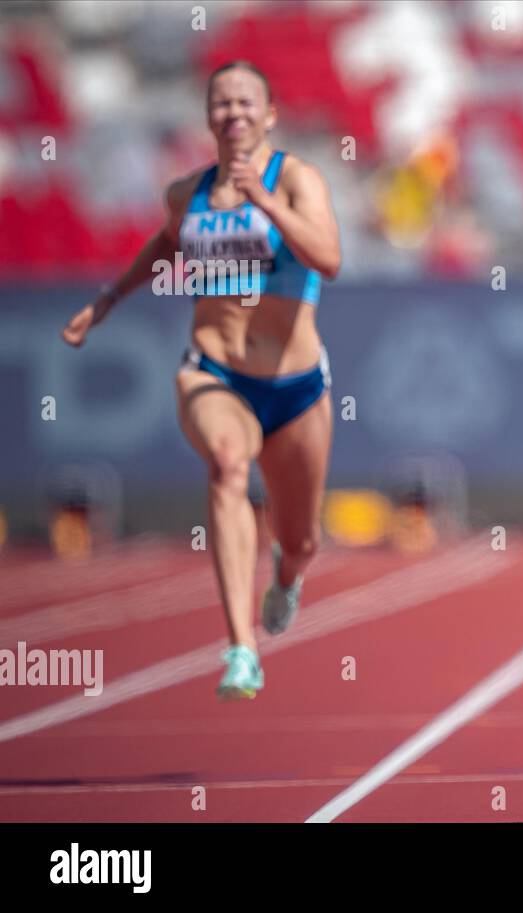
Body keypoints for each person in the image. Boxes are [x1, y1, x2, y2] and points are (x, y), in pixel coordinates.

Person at [61, 61, 341, 700]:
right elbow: (164, 245)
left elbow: (329, 257)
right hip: (214, 371)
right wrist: (107, 301)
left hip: (294, 387)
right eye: (222, 103)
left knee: (301, 538)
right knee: (225, 464)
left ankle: (287, 578)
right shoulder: (184, 194)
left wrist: (267, 203)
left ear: (269, 115)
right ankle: (241, 649)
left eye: (247, 102)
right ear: (209, 115)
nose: (234, 112)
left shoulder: (296, 178)